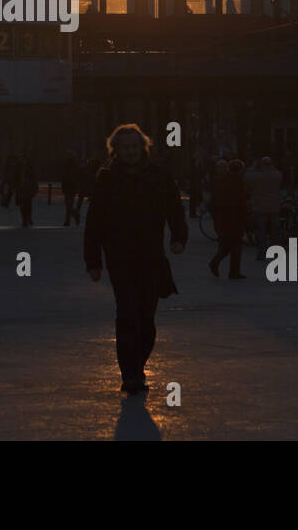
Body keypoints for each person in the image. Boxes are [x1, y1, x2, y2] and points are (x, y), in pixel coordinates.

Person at [85, 124, 187, 395]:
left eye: (134, 147)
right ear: (115, 150)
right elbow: (95, 222)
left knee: (146, 320)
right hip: (120, 258)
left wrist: (179, 237)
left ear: (142, 148)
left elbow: (175, 208)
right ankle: (130, 375)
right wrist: (93, 261)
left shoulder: (159, 176)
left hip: (151, 257)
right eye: (125, 147)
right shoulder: (106, 179)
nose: (130, 152)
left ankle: (137, 365)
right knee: (127, 315)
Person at [208, 159, 247, 279]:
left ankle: (228, 268)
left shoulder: (220, 181)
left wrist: (215, 216)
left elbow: (214, 200)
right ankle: (230, 270)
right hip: (234, 218)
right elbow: (241, 201)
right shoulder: (239, 182)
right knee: (234, 245)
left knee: (227, 244)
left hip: (222, 218)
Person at [244, 156, 283, 261]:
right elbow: (279, 174)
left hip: (260, 208)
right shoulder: (277, 175)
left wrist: (253, 167)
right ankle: (277, 252)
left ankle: (262, 253)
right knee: (276, 232)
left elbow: (246, 178)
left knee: (261, 232)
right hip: (274, 208)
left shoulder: (256, 176)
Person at [15, 155, 39, 227]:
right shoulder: (18, 168)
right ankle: (25, 220)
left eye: (24, 159)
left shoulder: (30, 168)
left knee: (28, 205)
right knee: (22, 205)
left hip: (28, 188)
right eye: (21, 159)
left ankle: (28, 218)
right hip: (21, 188)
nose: (22, 161)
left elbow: (34, 179)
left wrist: (35, 188)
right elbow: (14, 178)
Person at [61, 151, 82, 226]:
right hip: (72, 186)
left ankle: (68, 220)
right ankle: (71, 217)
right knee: (69, 204)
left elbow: (64, 176)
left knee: (68, 204)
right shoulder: (76, 165)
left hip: (69, 186)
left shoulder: (66, 165)